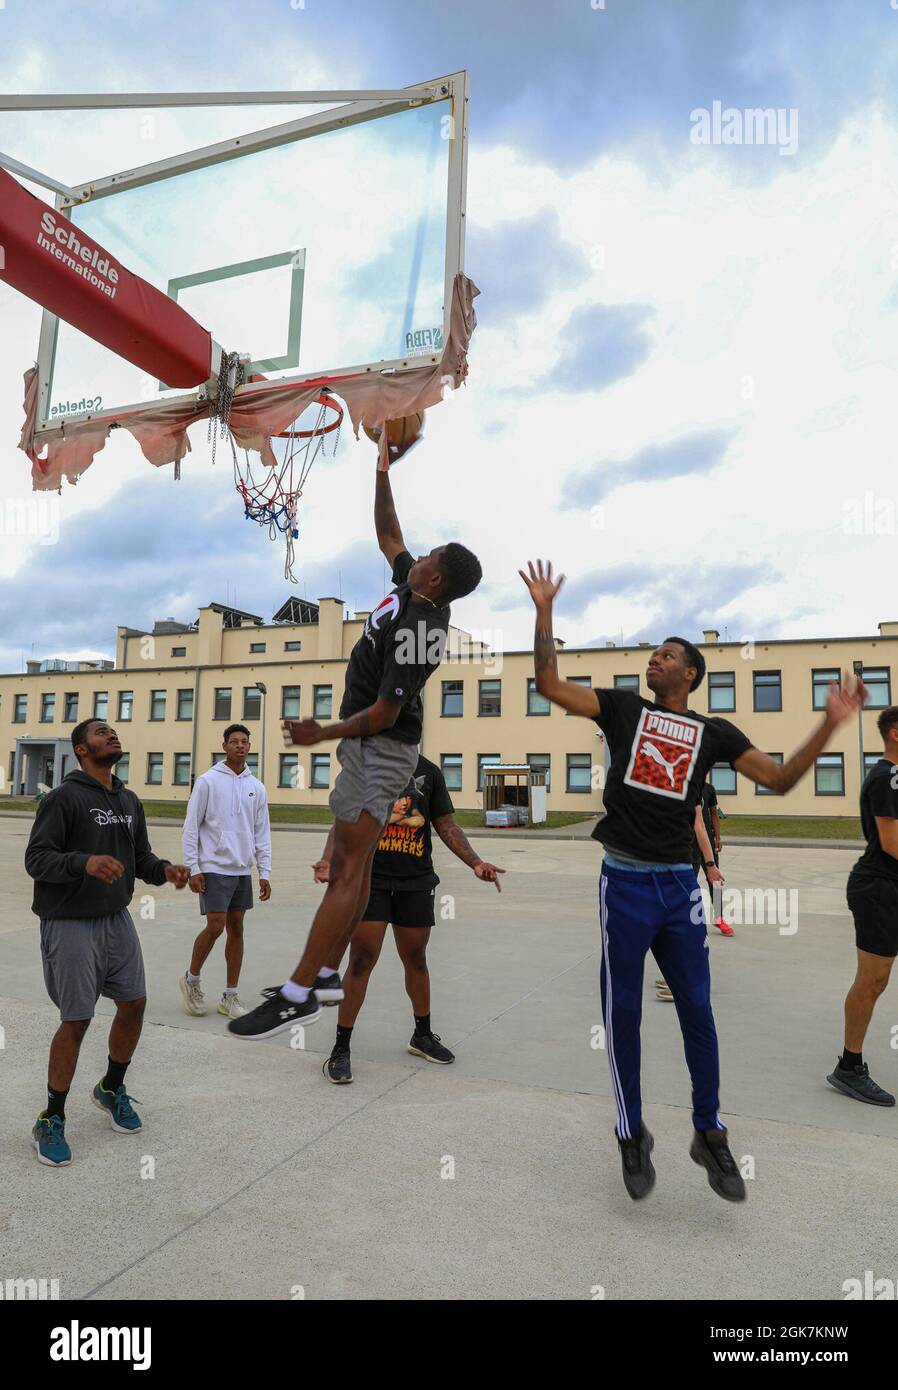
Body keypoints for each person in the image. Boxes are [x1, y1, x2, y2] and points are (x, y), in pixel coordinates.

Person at [519, 559, 866, 1204]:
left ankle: (709, 1131)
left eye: (668, 654)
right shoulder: (622, 710)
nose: (655, 658)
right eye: (654, 652)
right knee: (623, 1012)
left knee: (698, 1012)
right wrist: (545, 610)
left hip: (679, 889)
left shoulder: (713, 733)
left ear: (691, 675)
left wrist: (831, 724)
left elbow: (784, 778)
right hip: (622, 883)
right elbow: (546, 683)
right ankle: (631, 1133)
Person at [229, 460, 482, 1042]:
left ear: (436, 580)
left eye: (428, 557)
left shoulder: (422, 627)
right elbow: (389, 530)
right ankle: (321, 979)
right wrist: (382, 468)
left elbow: (387, 713)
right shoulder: (410, 583)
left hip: (380, 747)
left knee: (345, 871)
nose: (416, 555)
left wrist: (326, 732)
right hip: (373, 750)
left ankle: (301, 993)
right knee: (358, 868)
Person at [24, 719, 189, 1167]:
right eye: (100, 732)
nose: (111, 735)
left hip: (117, 919)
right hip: (70, 922)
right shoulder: (64, 797)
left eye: (114, 731)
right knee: (77, 1020)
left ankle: (111, 1088)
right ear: (81, 749)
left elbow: (140, 859)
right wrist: (84, 862)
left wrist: (167, 871)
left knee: (134, 1003)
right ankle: (51, 1117)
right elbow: (36, 859)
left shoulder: (128, 798)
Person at [312, 755, 505, 1082]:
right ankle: (341, 1048)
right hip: (369, 880)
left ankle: (422, 1035)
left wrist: (475, 861)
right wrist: (329, 859)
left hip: (415, 882)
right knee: (361, 959)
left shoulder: (429, 773)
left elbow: (445, 824)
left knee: (416, 958)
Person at [826, 707, 898, 1107]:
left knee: (879, 980)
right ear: (895, 734)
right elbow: (892, 844)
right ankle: (849, 1067)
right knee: (872, 980)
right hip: (879, 889)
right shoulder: (888, 777)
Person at [179, 724, 272, 1020]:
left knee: (237, 928)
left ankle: (230, 996)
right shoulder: (207, 782)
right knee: (216, 925)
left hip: (241, 869)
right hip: (213, 867)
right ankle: (191, 980)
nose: (240, 746)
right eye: (234, 742)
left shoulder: (256, 788)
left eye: (245, 742)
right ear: (224, 745)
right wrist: (193, 867)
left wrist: (264, 871)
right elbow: (191, 825)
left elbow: (262, 832)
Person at [693, 781, 733, 937]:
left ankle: (719, 917)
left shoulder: (709, 789)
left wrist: (717, 837)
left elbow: (714, 814)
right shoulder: (685, 786)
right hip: (689, 843)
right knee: (689, 881)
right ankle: (689, 919)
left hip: (708, 842)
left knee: (715, 881)